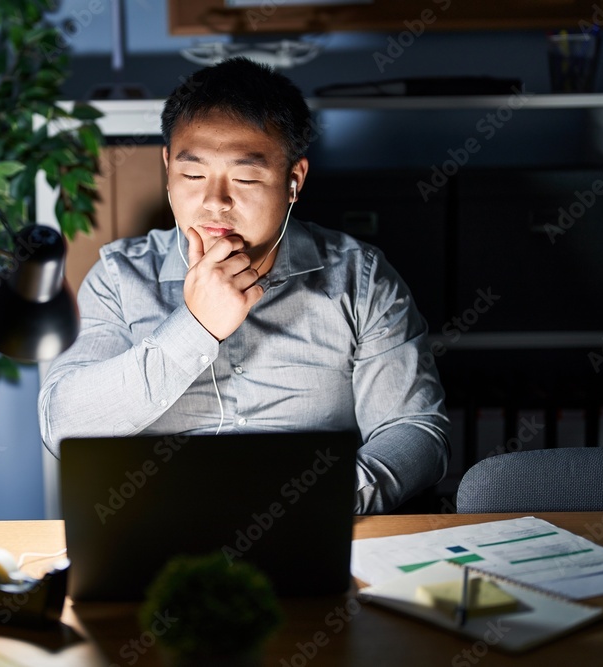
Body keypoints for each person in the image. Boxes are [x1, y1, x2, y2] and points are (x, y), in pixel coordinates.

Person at [38, 57, 449, 513]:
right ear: (168, 166)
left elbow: (416, 430)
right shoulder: (120, 277)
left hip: (314, 523)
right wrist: (194, 327)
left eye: (246, 177)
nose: (214, 202)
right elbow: (63, 426)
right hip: (160, 527)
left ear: (294, 181)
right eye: (192, 175)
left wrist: (326, 499)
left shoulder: (360, 278)